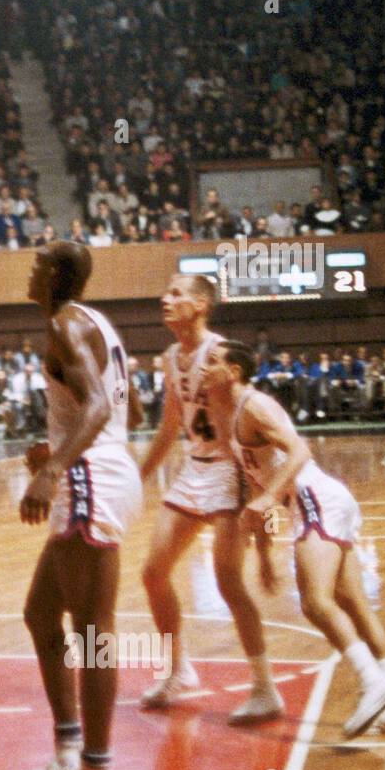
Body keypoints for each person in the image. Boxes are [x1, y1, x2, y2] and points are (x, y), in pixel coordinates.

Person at [201, 341, 385, 737]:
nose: (203, 369)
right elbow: (255, 489)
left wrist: (269, 498)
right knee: (352, 603)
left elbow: (299, 450)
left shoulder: (255, 405)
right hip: (323, 501)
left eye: (212, 362)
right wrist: (265, 553)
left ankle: (374, 683)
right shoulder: (231, 418)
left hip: (315, 499)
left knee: (316, 602)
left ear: (233, 372)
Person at [12, 242, 143, 770]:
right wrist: (58, 444)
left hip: (90, 479)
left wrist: (53, 469)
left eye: (38, 263)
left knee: (92, 631)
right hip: (105, 471)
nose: (30, 269)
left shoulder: (66, 323)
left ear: (57, 275)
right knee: (40, 613)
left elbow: (100, 409)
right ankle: (68, 754)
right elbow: (131, 410)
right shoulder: (98, 321)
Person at [134, 274, 279, 723]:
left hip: (230, 468)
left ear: (200, 305)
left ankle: (265, 688)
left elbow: (242, 436)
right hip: (194, 467)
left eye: (176, 293)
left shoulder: (217, 356)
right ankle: (179, 670)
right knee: (154, 572)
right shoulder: (170, 357)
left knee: (228, 580)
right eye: (166, 290)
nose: (165, 297)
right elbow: (169, 425)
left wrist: (264, 529)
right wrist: (137, 477)